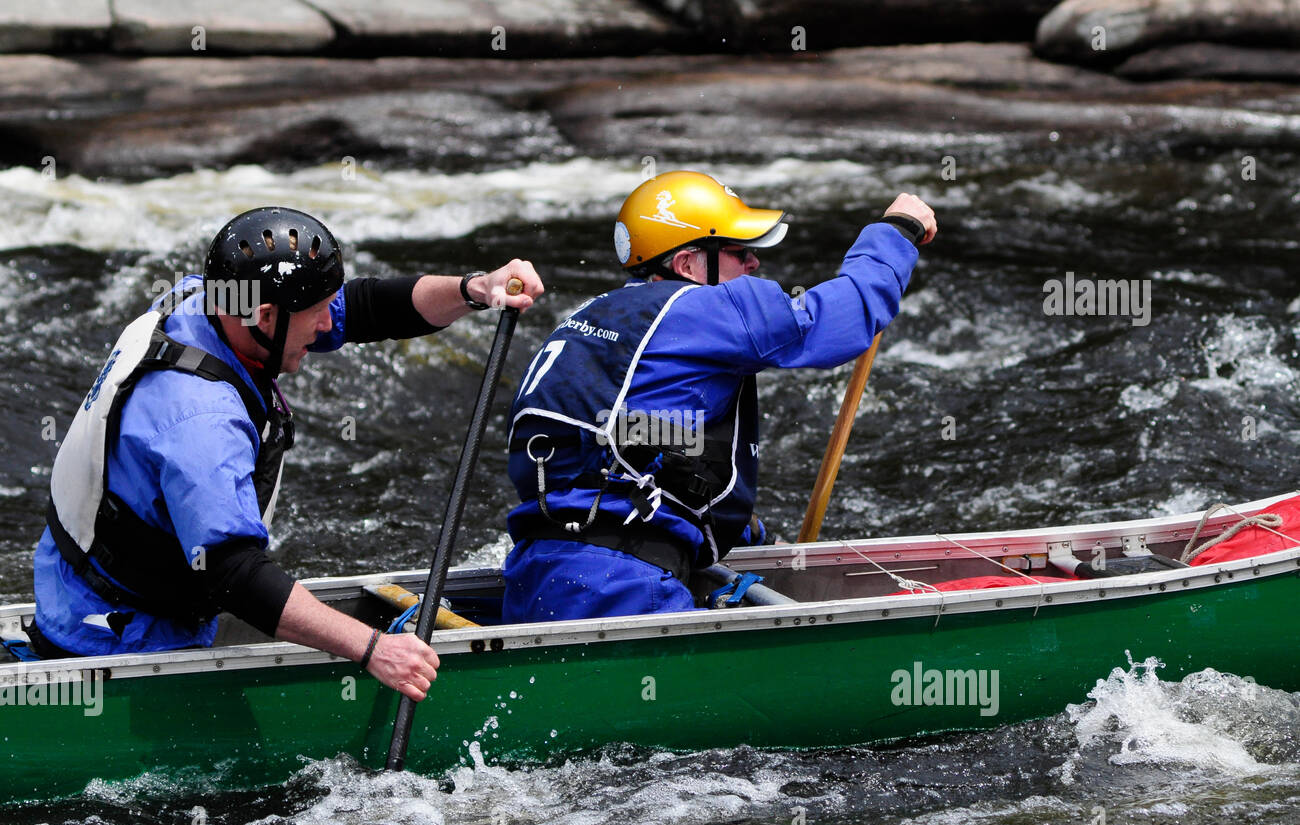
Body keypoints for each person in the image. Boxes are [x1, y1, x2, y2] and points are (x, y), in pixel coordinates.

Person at [32, 206, 544, 701]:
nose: (326, 327)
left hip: (80, 582)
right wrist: (374, 649)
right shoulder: (201, 422)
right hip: (117, 635)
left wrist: (474, 289)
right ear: (264, 315)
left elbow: (366, 307)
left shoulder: (207, 300)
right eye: (316, 314)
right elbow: (233, 575)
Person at [501, 170, 935, 623]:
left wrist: (751, 537)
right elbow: (842, 321)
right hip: (625, 586)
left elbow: (639, 447)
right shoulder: (696, 309)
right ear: (688, 265)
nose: (754, 264)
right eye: (738, 251)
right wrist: (895, 233)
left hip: (537, 573)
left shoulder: (595, 319)